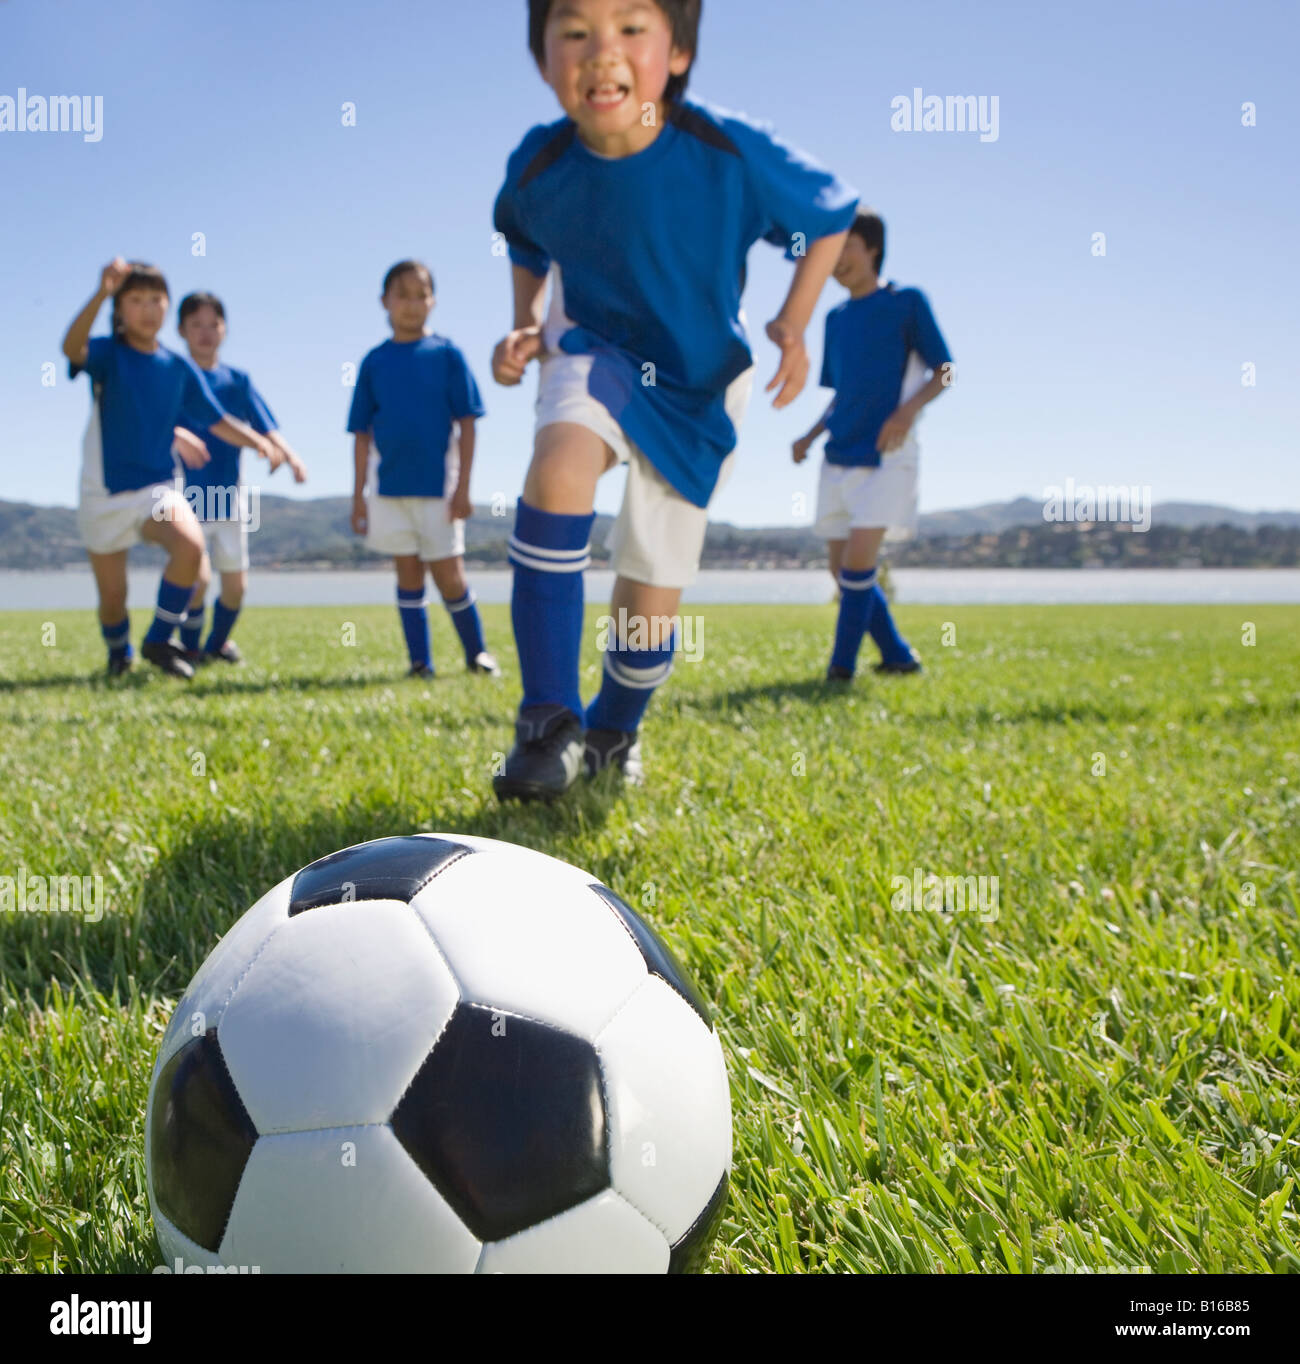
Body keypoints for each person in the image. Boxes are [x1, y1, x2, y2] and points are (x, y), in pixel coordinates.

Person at [491, 0, 858, 800]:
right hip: (596, 352)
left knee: (647, 605)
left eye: (630, 28)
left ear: (679, 51)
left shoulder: (724, 149)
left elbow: (829, 212)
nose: (601, 52)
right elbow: (522, 236)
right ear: (543, 57)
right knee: (558, 465)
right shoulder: (539, 163)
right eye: (575, 31)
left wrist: (794, 326)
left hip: (700, 385)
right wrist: (525, 323)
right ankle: (545, 720)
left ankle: (613, 728)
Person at [61, 259, 279, 679]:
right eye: (135, 300)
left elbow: (217, 419)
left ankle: (159, 638)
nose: (148, 308)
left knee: (189, 542)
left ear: (167, 305)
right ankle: (118, 652)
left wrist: (260, 442)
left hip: (156, 488)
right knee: (112, 595)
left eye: (156, 299)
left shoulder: (178, 368)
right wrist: (100, 292)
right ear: (120, 309)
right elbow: (72, 350)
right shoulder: (109, 354)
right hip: (102, 493)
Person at [793, 211, 954, 679]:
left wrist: (906, 412)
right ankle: (899, 657)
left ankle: (839, 671)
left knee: (860, 564)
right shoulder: (835, 319)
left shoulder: (906, 303)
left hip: (887, 455)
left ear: (872, 250)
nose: (838, 260)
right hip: (839, 453)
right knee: (841, 571)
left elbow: (945, 370)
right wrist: (811, 433)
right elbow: (841, 394)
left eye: (848, 248)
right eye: (831, 251)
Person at [348, 261, 498, 679]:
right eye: (403, 295)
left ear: (433, 301)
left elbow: (468, 422)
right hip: (390, 489)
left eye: (422, 294)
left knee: (450, 577)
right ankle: (420, 663)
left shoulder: (448, 355)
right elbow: (360, 434)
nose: (412, 305)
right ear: (385, 301)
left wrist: (464, 487)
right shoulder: (374, 362)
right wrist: (358, 494)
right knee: (408, 576)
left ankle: (477, 654)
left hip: (440, 488)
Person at [175, 290, 308, 665]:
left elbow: (266, 426)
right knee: (196, 581)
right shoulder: (174, 378)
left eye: (213, 324)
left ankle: (216, 645)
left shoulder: (237, 380)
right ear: (181, 330)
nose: (205, 332)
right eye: (195, 325)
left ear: (225, 329)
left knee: (236, 588)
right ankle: (188, 649)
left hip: (230, 498)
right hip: (185, 499)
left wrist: (292, 456)